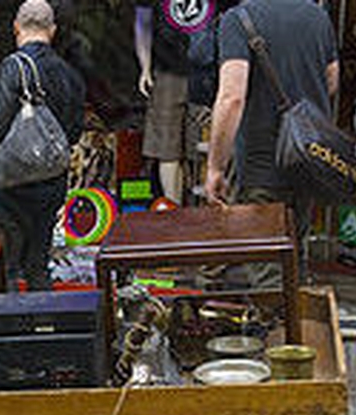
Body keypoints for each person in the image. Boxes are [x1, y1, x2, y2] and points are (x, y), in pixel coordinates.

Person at [205, 0, 337, 285]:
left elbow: (232, 98)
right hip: (307, 158)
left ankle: (277, 326)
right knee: (295, 257)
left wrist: (216, 166)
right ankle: (294, 325)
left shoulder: (238, 20)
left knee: (267, 269)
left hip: (261, 163)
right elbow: (331, 80)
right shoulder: (318, 17)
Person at [0, 0, 84, 291]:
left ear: (16, 27)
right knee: (38, 261)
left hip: (12, 184)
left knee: (4, 262)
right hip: (52, 182)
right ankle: (42, 325)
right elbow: (73, 132)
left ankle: (8, 324)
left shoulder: (13, 67)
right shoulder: (69, 73)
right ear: (52, 30)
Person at [133, 0, 222, 204]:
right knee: (168, 151)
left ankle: (203, 212)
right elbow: (142, 22)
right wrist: (145, 67)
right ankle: (174, 210)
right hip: (167, 73)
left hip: (207, 75)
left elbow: (232, 20)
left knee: (202, 150)